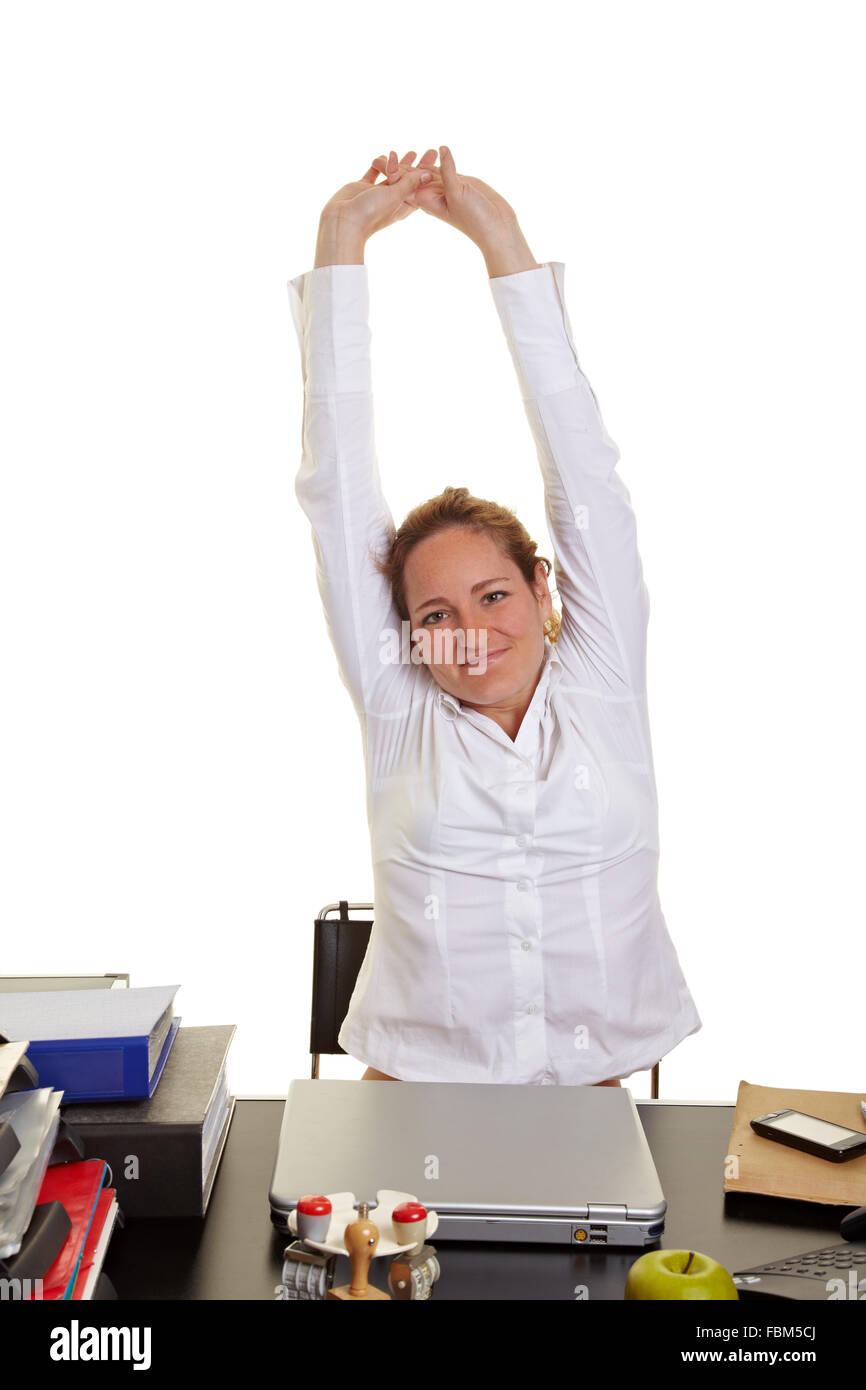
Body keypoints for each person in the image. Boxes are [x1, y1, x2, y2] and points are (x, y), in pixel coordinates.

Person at [289, 146, 701, 1087]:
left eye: (494, 594)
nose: (471, 629)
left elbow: (585, 469)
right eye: (434, 612)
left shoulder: (601, 683)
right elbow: (338, 489)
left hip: (594, 1092)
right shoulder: (401, 708)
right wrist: (341, 244)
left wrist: (500, 243)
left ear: (544, 588)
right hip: (407, 1095)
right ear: (404, 632)